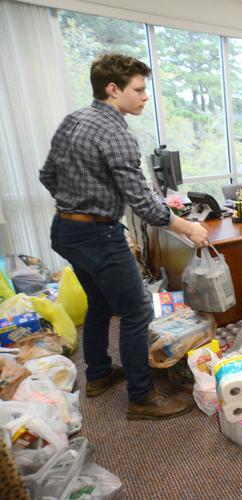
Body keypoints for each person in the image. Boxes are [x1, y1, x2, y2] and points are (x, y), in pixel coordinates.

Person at [40, 53, 210, 420]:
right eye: (139, 89)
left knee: (100, 304)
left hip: (66, 230)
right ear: (113, 89)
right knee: (135, 310)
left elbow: (47, 176)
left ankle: (98, 374)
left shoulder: (73, 121)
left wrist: (79, 202)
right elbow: (143, 204)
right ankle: (142, 397)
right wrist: (188, 227)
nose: (145, 97)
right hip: (98, 234)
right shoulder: (115, 132)